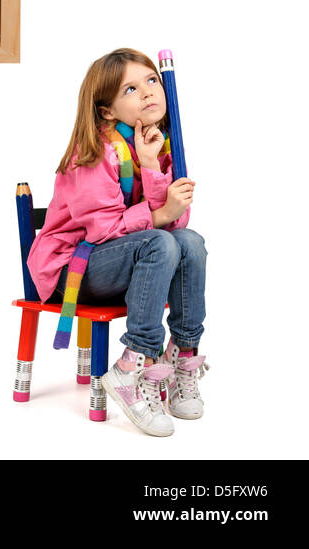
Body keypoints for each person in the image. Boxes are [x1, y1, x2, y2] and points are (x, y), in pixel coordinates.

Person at [27, 48, 206, 437]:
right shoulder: (92, 153)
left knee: (190, 242)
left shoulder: (161, 145)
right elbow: (104, 231)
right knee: (161, 243)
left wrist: (151, 165)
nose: (147, 93)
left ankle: (182, 355)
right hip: (72, 268)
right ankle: (131, 367)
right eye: (130, 88)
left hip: (129, 261)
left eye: (152, 80)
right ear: (107, 111)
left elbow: (180, 222)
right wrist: (159, 213)